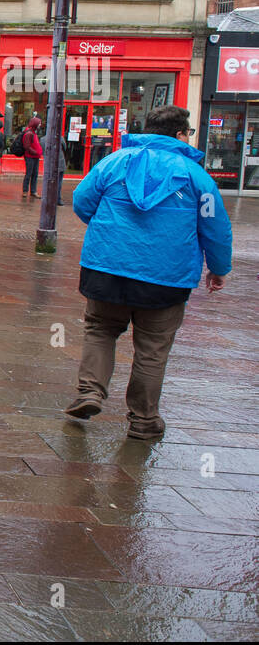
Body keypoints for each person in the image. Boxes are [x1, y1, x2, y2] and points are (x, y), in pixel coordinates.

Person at [65, 105, 232, 441]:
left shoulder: (115, 161)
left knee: (101, 329)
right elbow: (214, 225)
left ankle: (90, 392)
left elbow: (82, 199)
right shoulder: (197, 176)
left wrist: (106, 231)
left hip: (106, 267)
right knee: (152, 347)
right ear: (181, 134)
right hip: (166, 277)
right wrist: (218, 267)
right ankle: (143, 419)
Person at [22, 115, 43, 198]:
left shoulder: (33, 132)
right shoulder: (29, 133)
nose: (40, 125)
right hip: (30, 157)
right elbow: (27, 146)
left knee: (35, 174)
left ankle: (33, 191)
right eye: (39, 123)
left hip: (35, 157)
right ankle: (25, 190)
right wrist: (35, 152)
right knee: (29, 174)